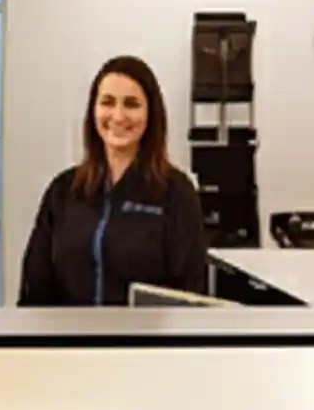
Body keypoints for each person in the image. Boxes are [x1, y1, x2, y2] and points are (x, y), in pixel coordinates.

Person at [18, 55, 207, 306]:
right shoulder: (63, 190)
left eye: (131, 104)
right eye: (107, 102)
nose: (118, 116)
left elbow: (191, 292)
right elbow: (35, 285)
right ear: (93, 110)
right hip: (69, 342)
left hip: (146, 344)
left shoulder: (176, 193)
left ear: (151, 114)